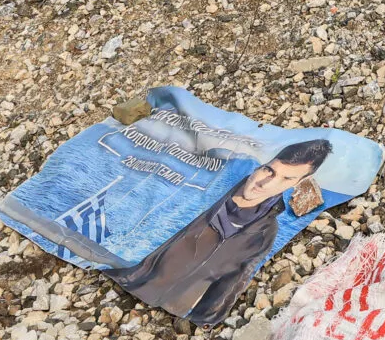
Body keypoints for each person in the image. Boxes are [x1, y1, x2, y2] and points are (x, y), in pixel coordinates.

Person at [107, 138, 332, 325]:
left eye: (286, 178)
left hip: (168, 303)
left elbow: (230, 285)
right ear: (261, 166)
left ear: (297, 183)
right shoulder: (213, 188)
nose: (265, 183)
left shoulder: (264, 232)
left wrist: (202, 318)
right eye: (269, 170)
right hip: (134, 276)